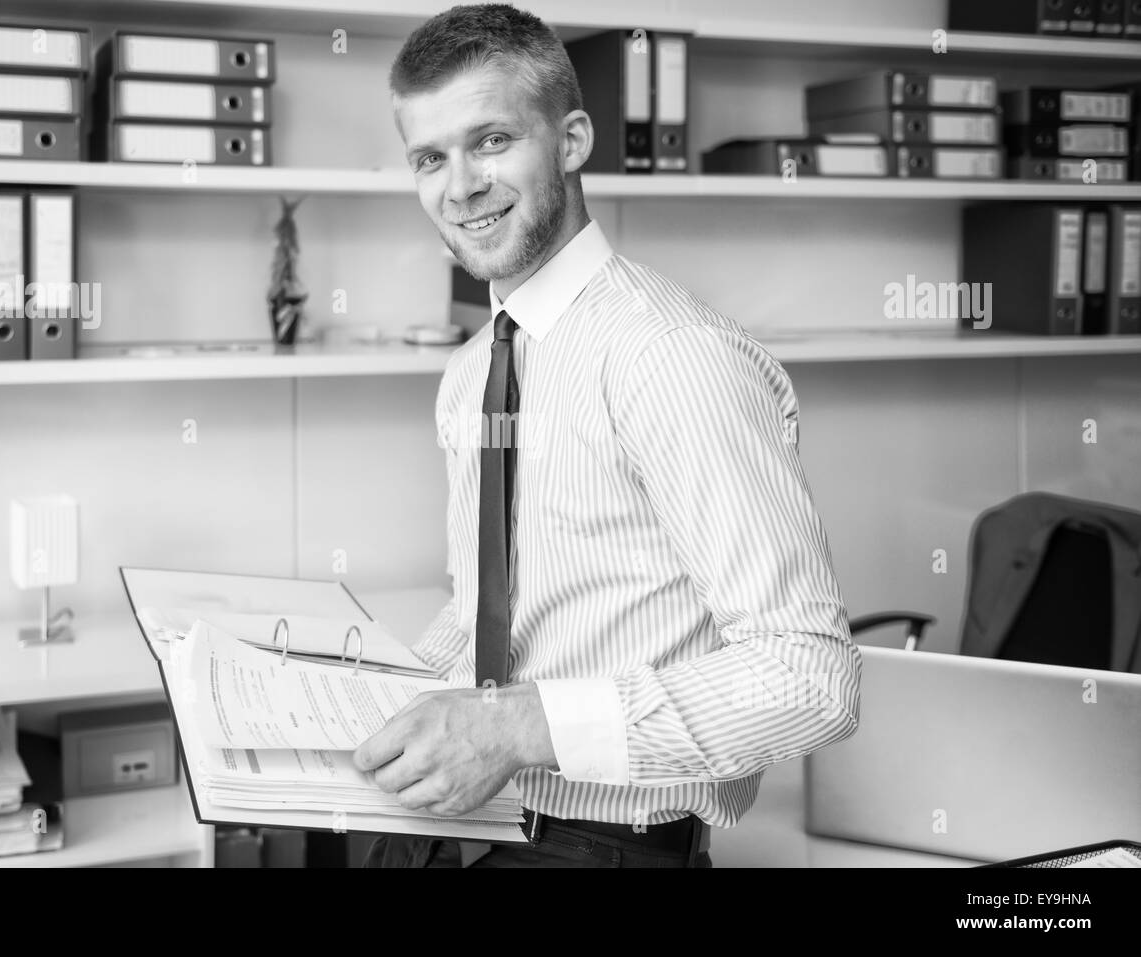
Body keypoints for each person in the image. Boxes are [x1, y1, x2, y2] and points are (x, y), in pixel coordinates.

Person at [354, 3, 861, 868]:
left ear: (574, 140)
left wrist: (517, 726)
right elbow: (499, 610)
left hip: (601, 849)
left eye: (492, 141)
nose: (460, 185)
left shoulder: (671, 357)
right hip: (460, 826)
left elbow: (809, 677)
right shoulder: (473, 370)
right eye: (431, 158)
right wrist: (356, 683)